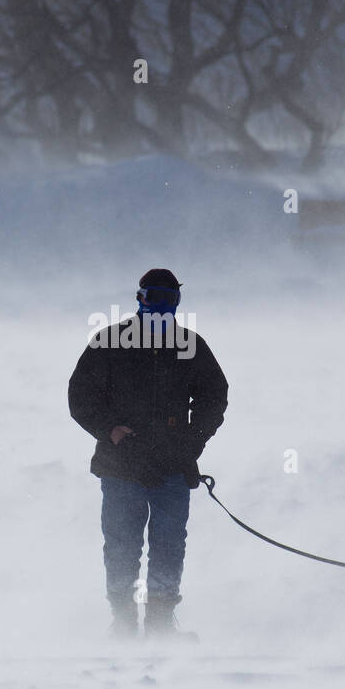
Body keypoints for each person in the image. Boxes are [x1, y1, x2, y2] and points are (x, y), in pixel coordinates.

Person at [68, 269, 229, 640]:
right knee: (122, 546)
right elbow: (80, 396)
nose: (159, 306)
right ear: (139, 298)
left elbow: (214, 397)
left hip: (173, 468)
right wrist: (111, 431)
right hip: (120, 467)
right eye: (152, 296)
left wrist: (191, 443)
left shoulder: (190, 345)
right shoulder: (108, 342)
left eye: (167, 299)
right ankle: (122, 622)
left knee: (169, 545)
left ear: (177, 303)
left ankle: (159, 624)